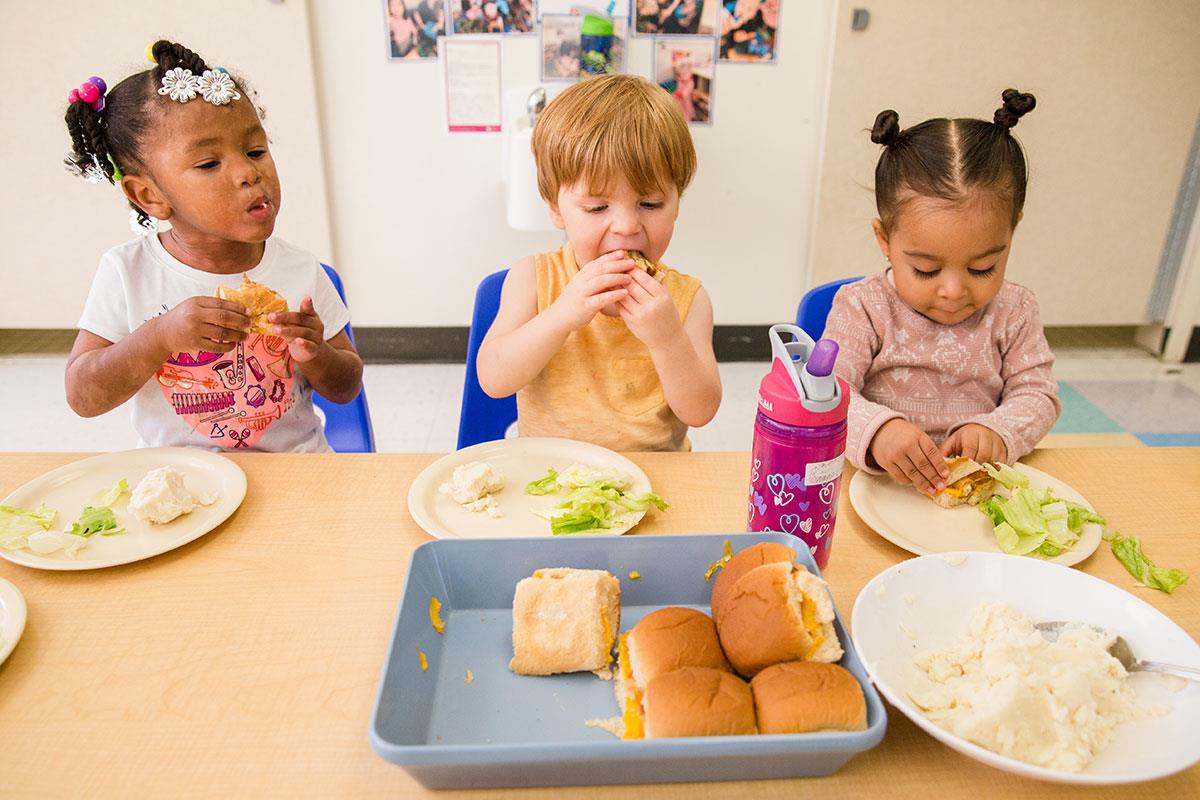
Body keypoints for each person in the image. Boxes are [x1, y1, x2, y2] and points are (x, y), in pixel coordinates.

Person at [62, 40, 363, 452]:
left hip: (296, 469)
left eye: (256, 150)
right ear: (149, 195)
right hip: (182, 483)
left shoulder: (300, 270)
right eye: (209, 164)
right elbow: (84, 396)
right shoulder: (127, 272)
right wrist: (159, 337)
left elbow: (346, 387)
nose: (248, 173)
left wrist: (317, 355)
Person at [823, 89, 1060, 493]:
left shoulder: (1015, 309)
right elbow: (827, 391)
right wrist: (878, 431)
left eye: (982, 268)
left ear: (1012, 230)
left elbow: (1038, 395)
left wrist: (997, 431)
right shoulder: (863, 307)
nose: (953, 291)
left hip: (977, 493)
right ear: (885, 239)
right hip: (875, 490)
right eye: (926, 270)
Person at [476, 75, 721, 451]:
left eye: (651, 204)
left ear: (677, 203)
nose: (625, 227)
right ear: (557, 209)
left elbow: (701, 411)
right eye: (597, 208)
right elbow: (493, 378)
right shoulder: (533, 279)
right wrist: (563, 315)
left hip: (653, 484)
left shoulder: (688, 300)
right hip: (552, 480)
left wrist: (667, 338)